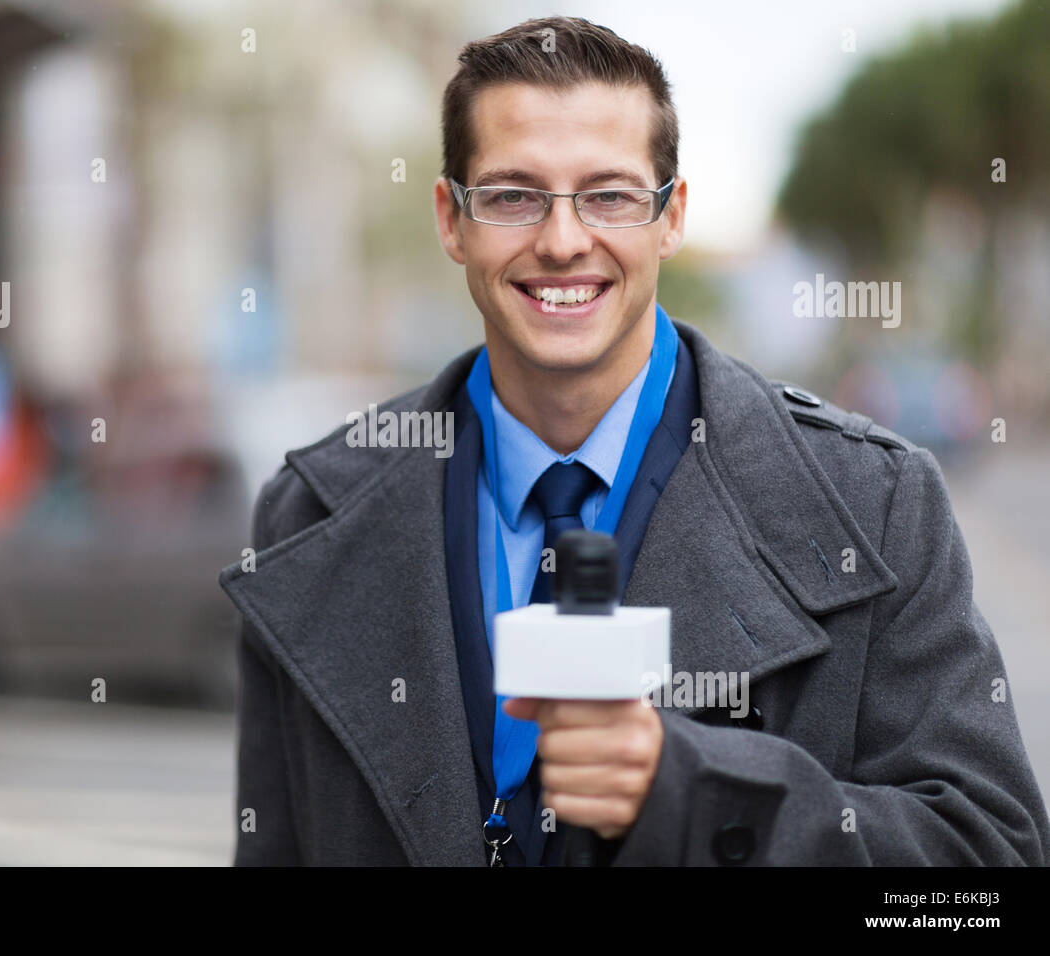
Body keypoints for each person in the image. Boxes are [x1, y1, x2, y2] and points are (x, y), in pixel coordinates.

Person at [218, 16, 1049, 866]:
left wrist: (698, 792)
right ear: (452, 220)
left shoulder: (876, 506)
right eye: (513, 195)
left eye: (609, 195)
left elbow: (982, 874)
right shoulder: (306, 516)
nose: (564, 240)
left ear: (671, 216)